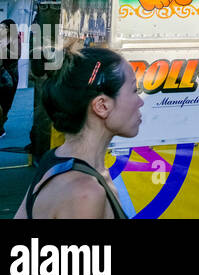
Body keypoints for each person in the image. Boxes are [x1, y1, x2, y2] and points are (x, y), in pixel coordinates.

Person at [14, 46, 141, 219]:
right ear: (102, 106)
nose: (140, 102)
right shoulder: (84, 193)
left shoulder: (57, 160)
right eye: (134, 90)